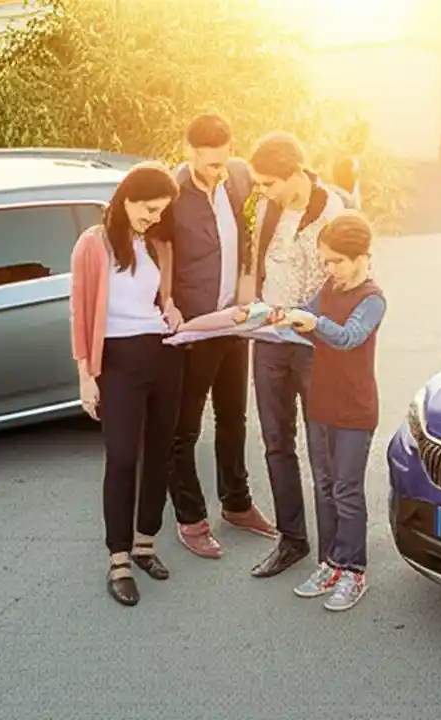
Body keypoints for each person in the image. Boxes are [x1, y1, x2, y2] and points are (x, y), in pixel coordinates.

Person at [156, 114, 276, 560]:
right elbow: (160, 251)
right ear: (188, 153)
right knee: (182, 431)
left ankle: (238, 504)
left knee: (233, 419)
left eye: (223, 162)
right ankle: (191, 519)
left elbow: (257, 225)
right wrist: (167, 303)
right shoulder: (170, 192)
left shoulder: (240, 176)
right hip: (193, 328)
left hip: (236, 321)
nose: (218, 171)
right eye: (209, 165)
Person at [70, 160, 184, 607]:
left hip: (162, 354)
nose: (154, 217)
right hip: (116, 360)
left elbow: (159, 298)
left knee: (161, 452)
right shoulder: (93, 245)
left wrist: (171, 309)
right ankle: (118, 558)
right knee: (121, 457)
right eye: (149, 208)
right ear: (127, 198)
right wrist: (85, 376)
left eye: (161, 211)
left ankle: (145, 543)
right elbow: (80, 313)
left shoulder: (155, 243)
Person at [244, 131, 350, 579]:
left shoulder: (336, 211)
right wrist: (251, 312)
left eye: (268, 182)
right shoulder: (269, 208)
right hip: (269, 342)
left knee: (322, 451)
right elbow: (257, 262)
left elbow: (343, 285)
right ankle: (293, 542)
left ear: (293, 174)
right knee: (275, 444)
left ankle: (335, 553)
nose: (261, 191)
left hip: (313, 348)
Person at [275, 210, 386, 612]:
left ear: (360, 256)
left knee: (346, 490)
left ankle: (353, 570)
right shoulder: (330, 286)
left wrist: (311, 321)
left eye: (337, 261)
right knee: (324, 486)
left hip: (355, 410)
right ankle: (330, 563)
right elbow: (304, 315)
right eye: (327, 262)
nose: (331, 268)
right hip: (321, 404)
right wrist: (275, 316)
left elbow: (348, 337)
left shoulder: (372, 299)